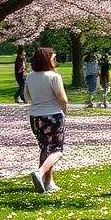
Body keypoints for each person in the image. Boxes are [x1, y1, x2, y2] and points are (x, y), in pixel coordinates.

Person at [24, 47, 69, 193]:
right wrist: (65, 113)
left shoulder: (30, 76)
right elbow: (63, 99)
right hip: (53, 116)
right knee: (57, 150)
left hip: (35, 117)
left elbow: (27, 97)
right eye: (53, 58)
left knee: (45, 148)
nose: (55, 61)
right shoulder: (54, 76)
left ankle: (48, 182)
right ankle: (40, 172)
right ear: (47, 60)